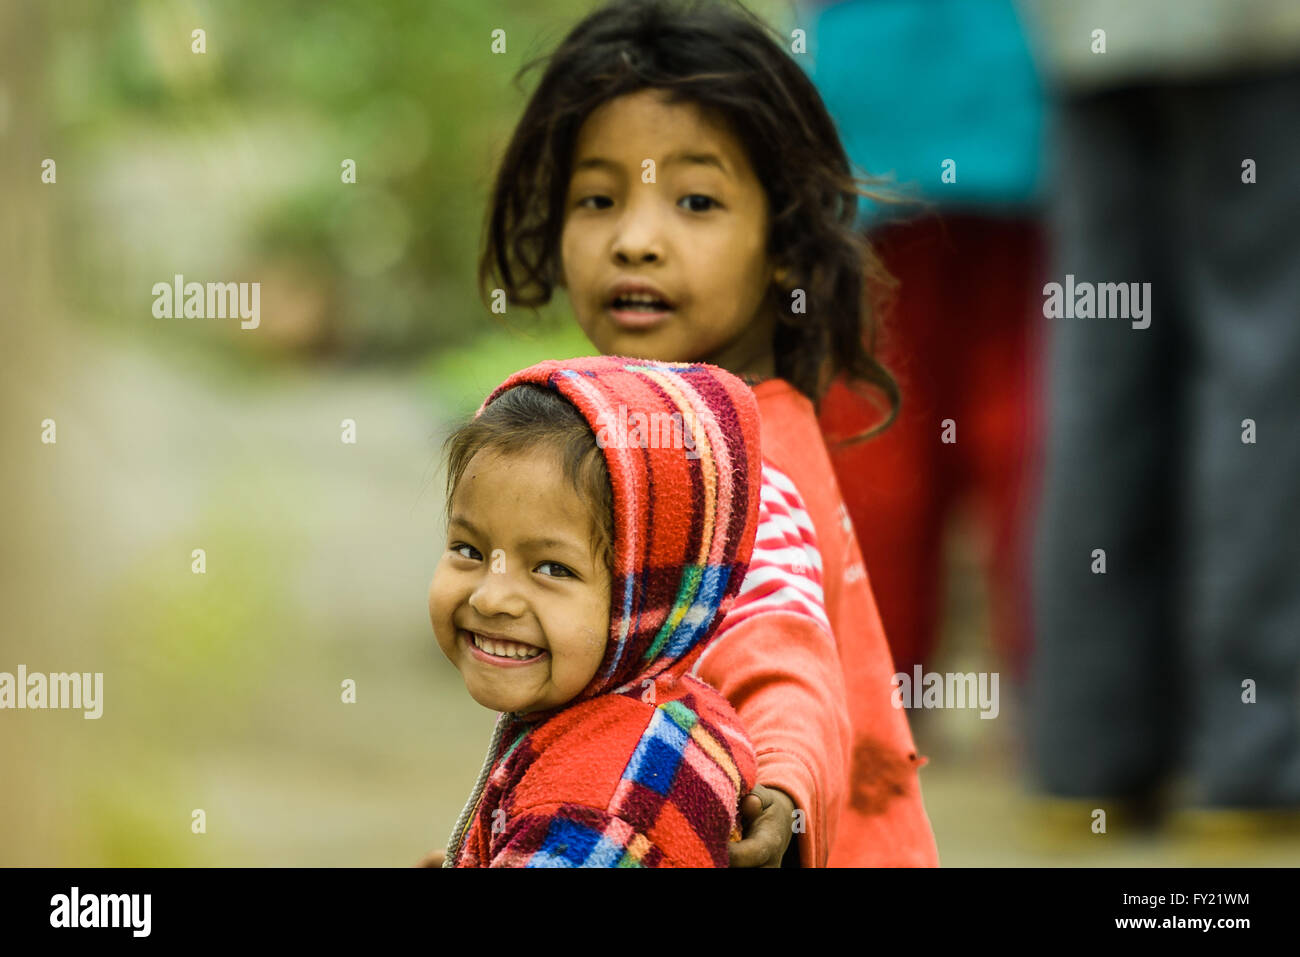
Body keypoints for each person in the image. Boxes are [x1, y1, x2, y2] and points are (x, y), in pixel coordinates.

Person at [475, 0, 939, 865]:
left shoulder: (737, 455)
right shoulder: (644, 431)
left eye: (696, 200)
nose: (636, 240)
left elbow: (782, 650)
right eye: (598, 197)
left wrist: (787, 794)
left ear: (786, 245)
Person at [431, 356, 763, 867]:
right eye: (470, 551)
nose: (490, 599)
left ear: (655, 594)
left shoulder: (597, 808)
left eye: (553, 569)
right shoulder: (671, 709)